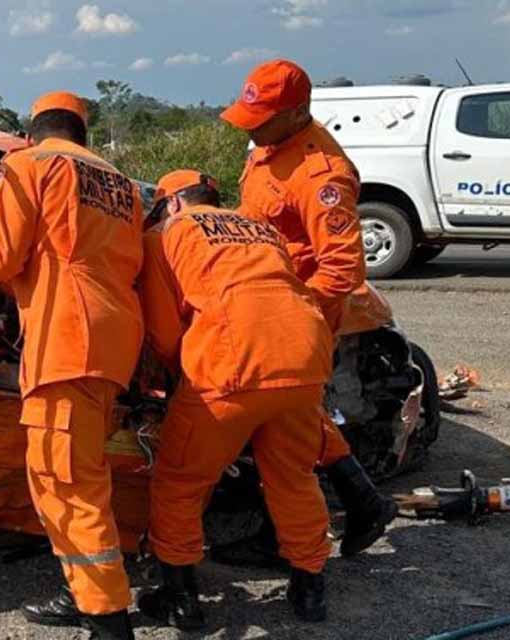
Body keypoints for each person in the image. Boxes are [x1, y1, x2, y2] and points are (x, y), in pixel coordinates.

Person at [0, 91, 143, 640]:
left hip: (66, 340)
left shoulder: (28, 164)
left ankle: (106, 620)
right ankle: (86, 595)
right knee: (78, 473)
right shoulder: (119, 184)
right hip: (113, 339)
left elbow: (1, 256)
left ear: (33, 134)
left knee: (69, 484)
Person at [217, 59, 397, 564]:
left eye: (262, 117)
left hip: (294, 314)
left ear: (297, 114)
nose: (250, 126)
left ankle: (286, 539)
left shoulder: (322, 175)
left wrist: (293, 316)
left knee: (279, 424)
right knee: (295, 416)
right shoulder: (269, 148)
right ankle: (363, 501)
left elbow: (343, 269)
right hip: (265, 303)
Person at [137, 170, 334, 627]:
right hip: (304, 361)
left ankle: (181, 600)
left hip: (231, 367)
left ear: (172, 204)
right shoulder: (261, 229)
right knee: (294, 476)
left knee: (180, 482)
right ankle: (310, 589)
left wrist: (169, 376)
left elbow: (165, 331)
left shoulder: (166, 233)